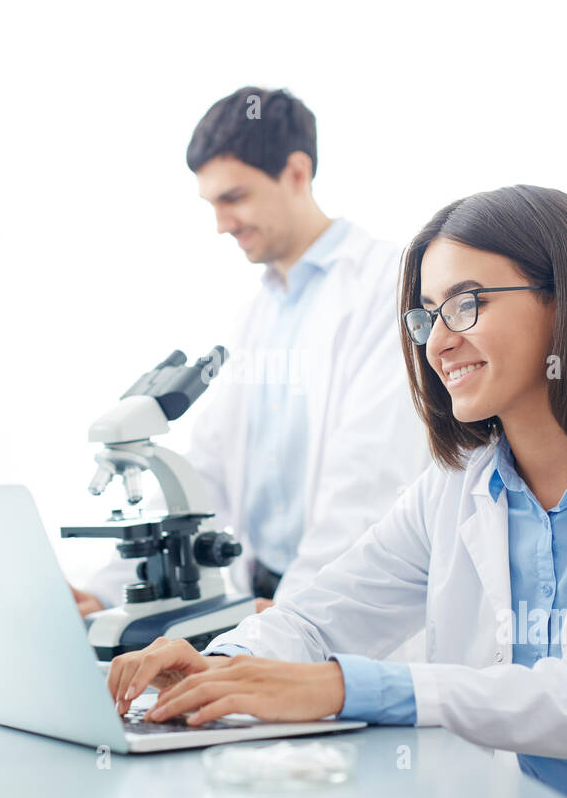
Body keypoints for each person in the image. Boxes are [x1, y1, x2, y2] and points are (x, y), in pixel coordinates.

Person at [104, 184, 567, 798]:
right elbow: (319, 619)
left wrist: (335, 689)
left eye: (469, 302)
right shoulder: (451, 493)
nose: (438, 340)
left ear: (566, 300)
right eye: (427, 314)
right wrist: (222, 664)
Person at [70, 87, 428, 620]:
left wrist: (290, 623)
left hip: (337, 602)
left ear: (297, 174)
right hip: (262, 596)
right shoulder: (256, 315)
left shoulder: (387, 286)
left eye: (233, 197)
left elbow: (368, 482)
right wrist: (108, 590)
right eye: (211, 204)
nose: (220, 223)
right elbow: (208, 474)